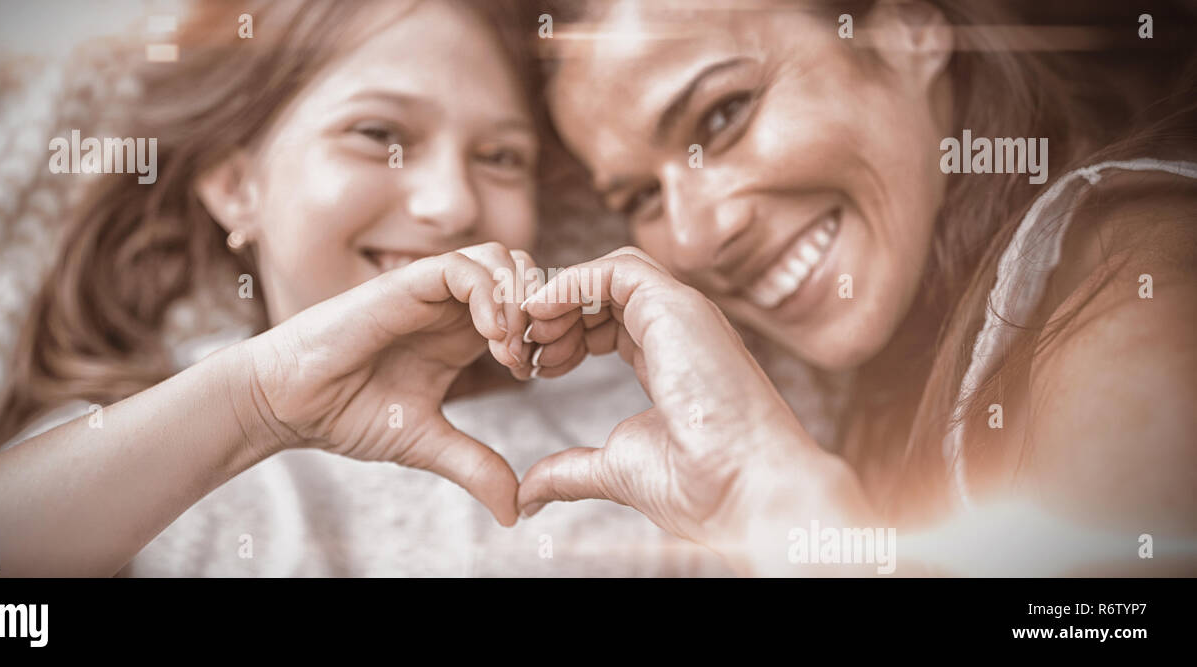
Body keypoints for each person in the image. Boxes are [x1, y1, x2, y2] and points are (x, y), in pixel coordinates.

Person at [0, 0, 724, 577]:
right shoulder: (141, 441)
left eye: (500, 156)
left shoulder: (635, 412)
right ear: (236, 185)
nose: (453, 203)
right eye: (380, 135)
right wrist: (253, 406)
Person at [512, 0, 1197, 575]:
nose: (693, 240)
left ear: (908, 31)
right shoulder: (885, 362)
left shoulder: (1130, 310)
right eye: (640, 197)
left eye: (723, 115)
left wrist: (771, 498)